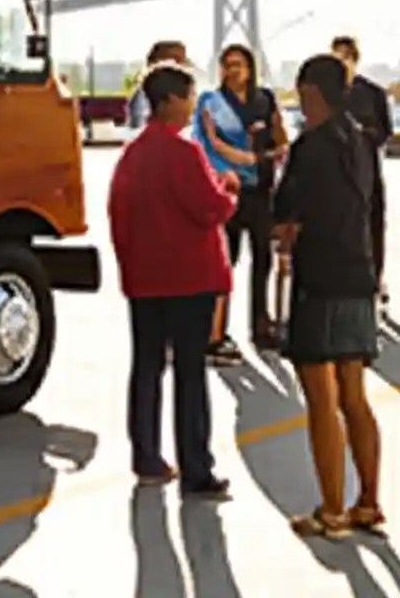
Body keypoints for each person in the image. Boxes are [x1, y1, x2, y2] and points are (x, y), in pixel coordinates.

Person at [108, 62, 237, 499]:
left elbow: (119, 217)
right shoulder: (185, 154)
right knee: (189, 375)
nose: (191, 106)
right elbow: (209, 209)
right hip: (189, 279)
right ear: (170, 101)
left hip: (145, 280)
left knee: (146, 368)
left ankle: (146, 458)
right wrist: (228, 189)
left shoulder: (131, 156)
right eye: (188, 97)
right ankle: (195, 467)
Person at [273, 54, 384, 539]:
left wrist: (285, 236)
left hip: (319, 281)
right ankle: (368, 503)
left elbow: (285, 219)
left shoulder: (308, 148)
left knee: (321, 398)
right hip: (359, 277)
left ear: (312, 93)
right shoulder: (364, 142)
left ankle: (332, 510)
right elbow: (376, 211)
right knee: (354, 397)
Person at [192, 44, 289, 365]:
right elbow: (204, 145)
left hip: (261, 192)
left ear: (250, 68)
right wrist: (229, 169)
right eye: (225, 65)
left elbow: (280, 140)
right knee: (224, 265)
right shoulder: (210, 103)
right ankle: (216, 332)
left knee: (263, 260)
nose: (231, 71)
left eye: (238, 64)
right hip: (227, 194)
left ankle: (262, 327)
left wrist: (269, 151)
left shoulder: (265, 100)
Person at [331, 36, 393, 314]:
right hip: (335, 172)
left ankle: (375, 281)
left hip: (367, 169)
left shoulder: (373, 93)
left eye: (345, 56)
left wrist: (364, 135)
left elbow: (385, 132)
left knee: (374, 227)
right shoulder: (328, 93)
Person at [126, 40, 189, 130]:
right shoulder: (145, 96)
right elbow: (141, 129)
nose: (182, 66)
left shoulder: (186, 95)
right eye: (176, 60)